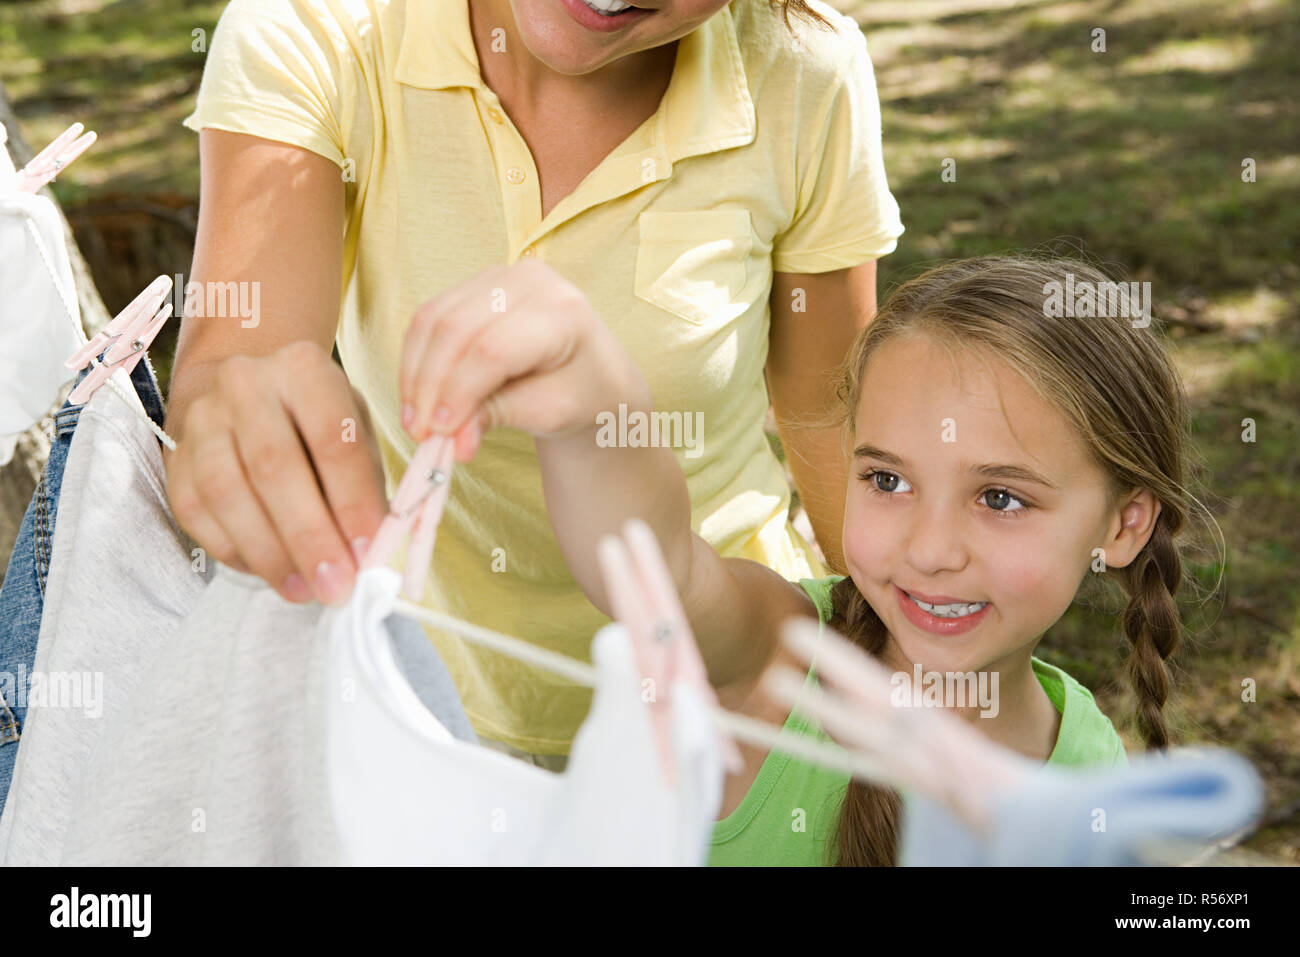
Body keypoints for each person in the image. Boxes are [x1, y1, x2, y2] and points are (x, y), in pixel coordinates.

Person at [163, 0, 904, 763]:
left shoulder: (806, 71)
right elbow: (232, 367)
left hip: (734, 708)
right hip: (429, 712)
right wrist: (236, 421)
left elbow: (832, 422)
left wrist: (895, 657)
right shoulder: (316, 29)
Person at [399, 254, 1199, 865]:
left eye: (1000, 498)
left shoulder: (1088, 774)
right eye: (887, 480)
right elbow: (658, 573)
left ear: (1124, 524)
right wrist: (592, 408)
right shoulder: (778, 655)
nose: (928, 549)